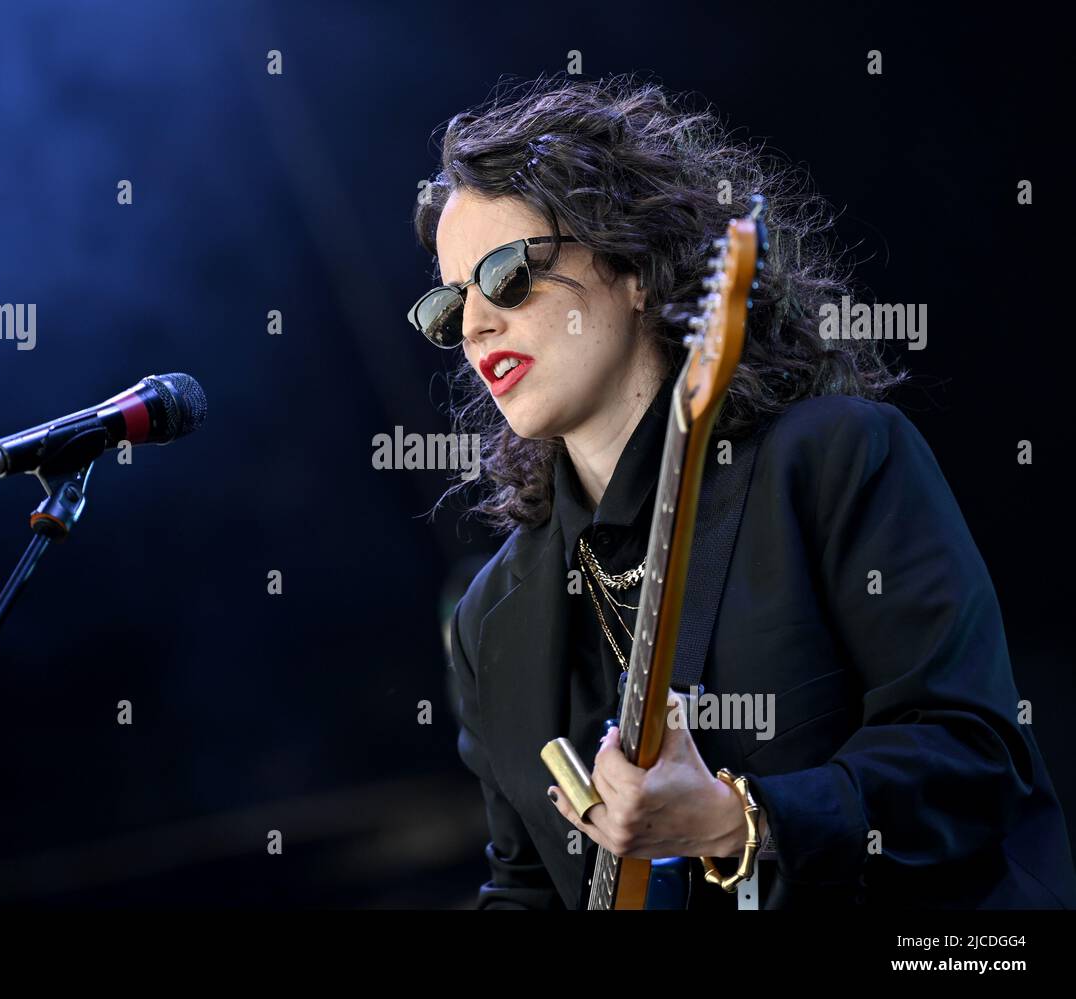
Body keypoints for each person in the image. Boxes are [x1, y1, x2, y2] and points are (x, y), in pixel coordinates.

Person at [408, 73, 1076, 909]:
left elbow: (977, 759)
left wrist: (739, 822)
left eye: (507, 275)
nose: (473, 325)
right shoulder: (489, 619)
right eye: (447, 305)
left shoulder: (835, 462)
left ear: (632, 267)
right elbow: (525, 887)